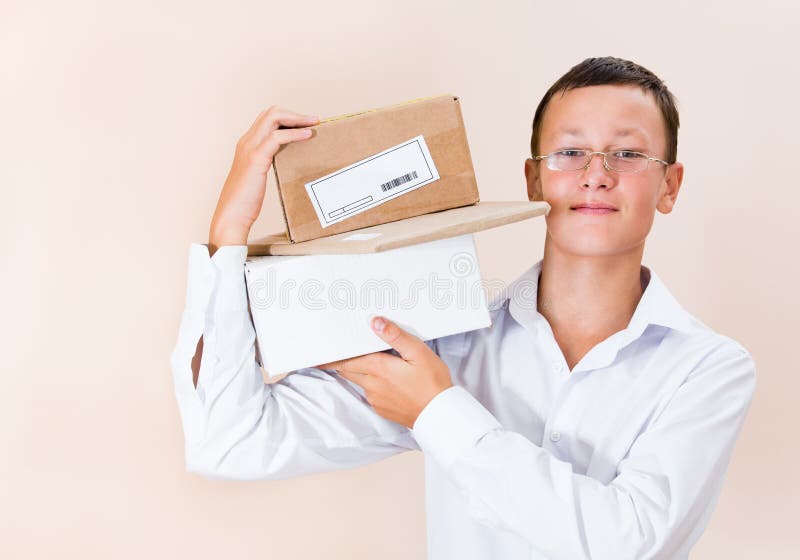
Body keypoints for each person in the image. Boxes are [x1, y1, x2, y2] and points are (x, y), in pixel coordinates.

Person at [170, 56, 756, 559]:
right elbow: (231, 440)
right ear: (533, 180)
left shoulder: (708, 368)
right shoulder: (448, 344)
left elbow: (625, 542)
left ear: (670, 186)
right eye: (570, 151)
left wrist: (436, 409)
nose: (596, 177)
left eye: (628, 154)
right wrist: (230, 234)